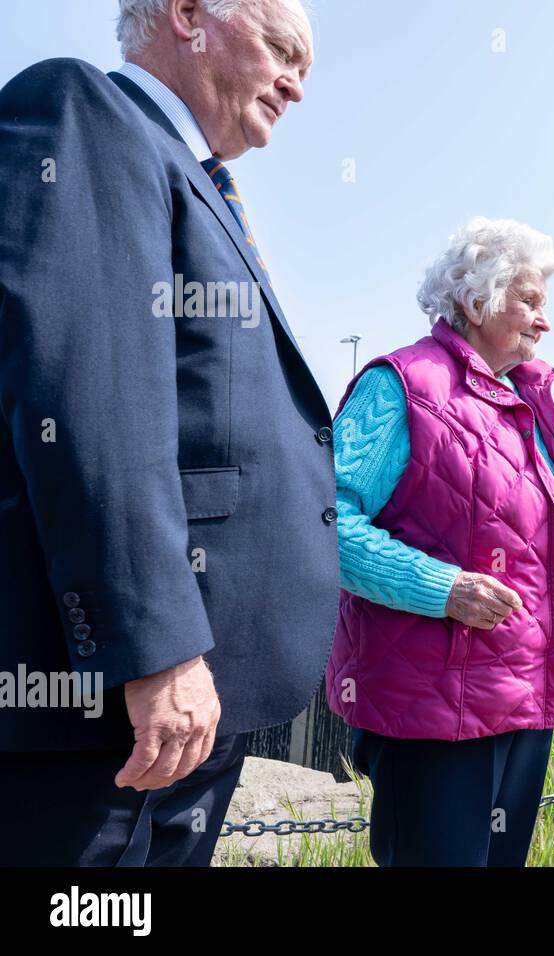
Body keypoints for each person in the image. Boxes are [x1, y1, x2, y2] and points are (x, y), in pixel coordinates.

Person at [0, 0, 335, 867]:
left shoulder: (192, 178)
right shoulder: (90, 116)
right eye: (281, 49)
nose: (298, 83)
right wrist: (156, 649)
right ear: (188, 15)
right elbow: (91, 398)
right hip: (116, 702)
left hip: (198, 699)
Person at [326, 218, 554, 865]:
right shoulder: (400, 385)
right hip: (431, 708)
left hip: (522, 696)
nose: (546, 323)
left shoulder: (536, 402)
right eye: (530, 301)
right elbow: (329, 525)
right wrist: (444, 588)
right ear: (474, 298)